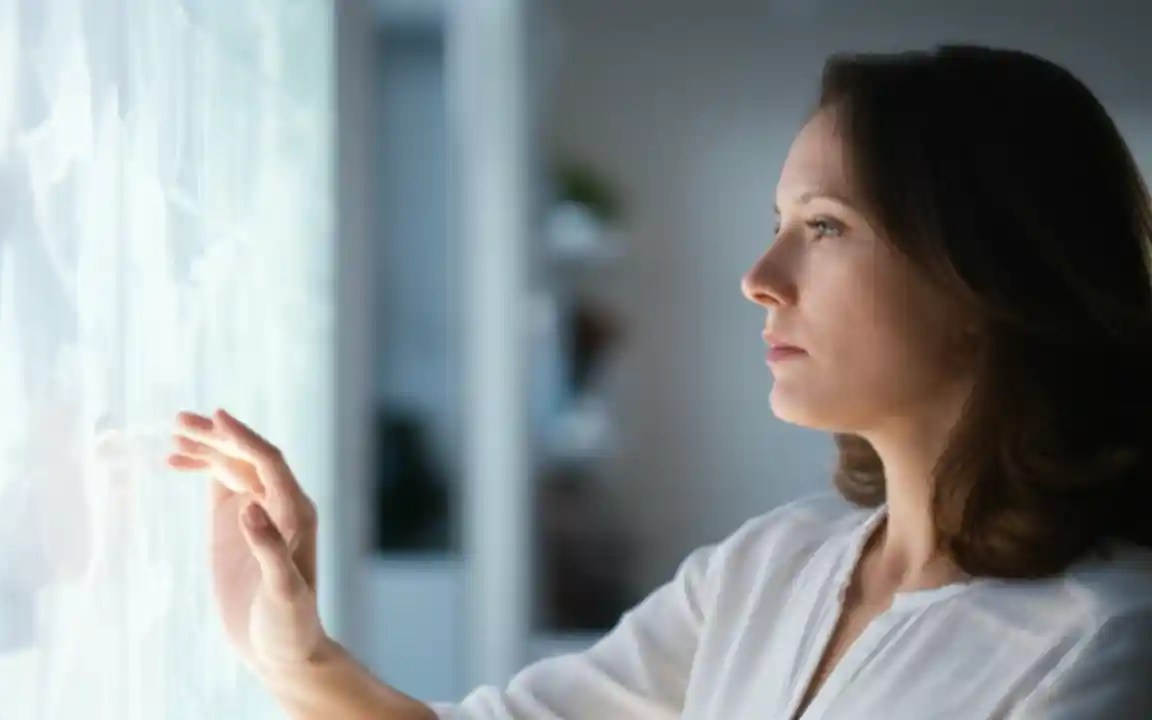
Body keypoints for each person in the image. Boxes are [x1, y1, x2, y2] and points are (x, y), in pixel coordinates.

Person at [168, 44, 1152, 719]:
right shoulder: (771, 563)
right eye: (777, 223)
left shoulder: (1103, 642)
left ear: (984, 275)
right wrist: (291, 650)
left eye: (822, 227)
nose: (758, 280)